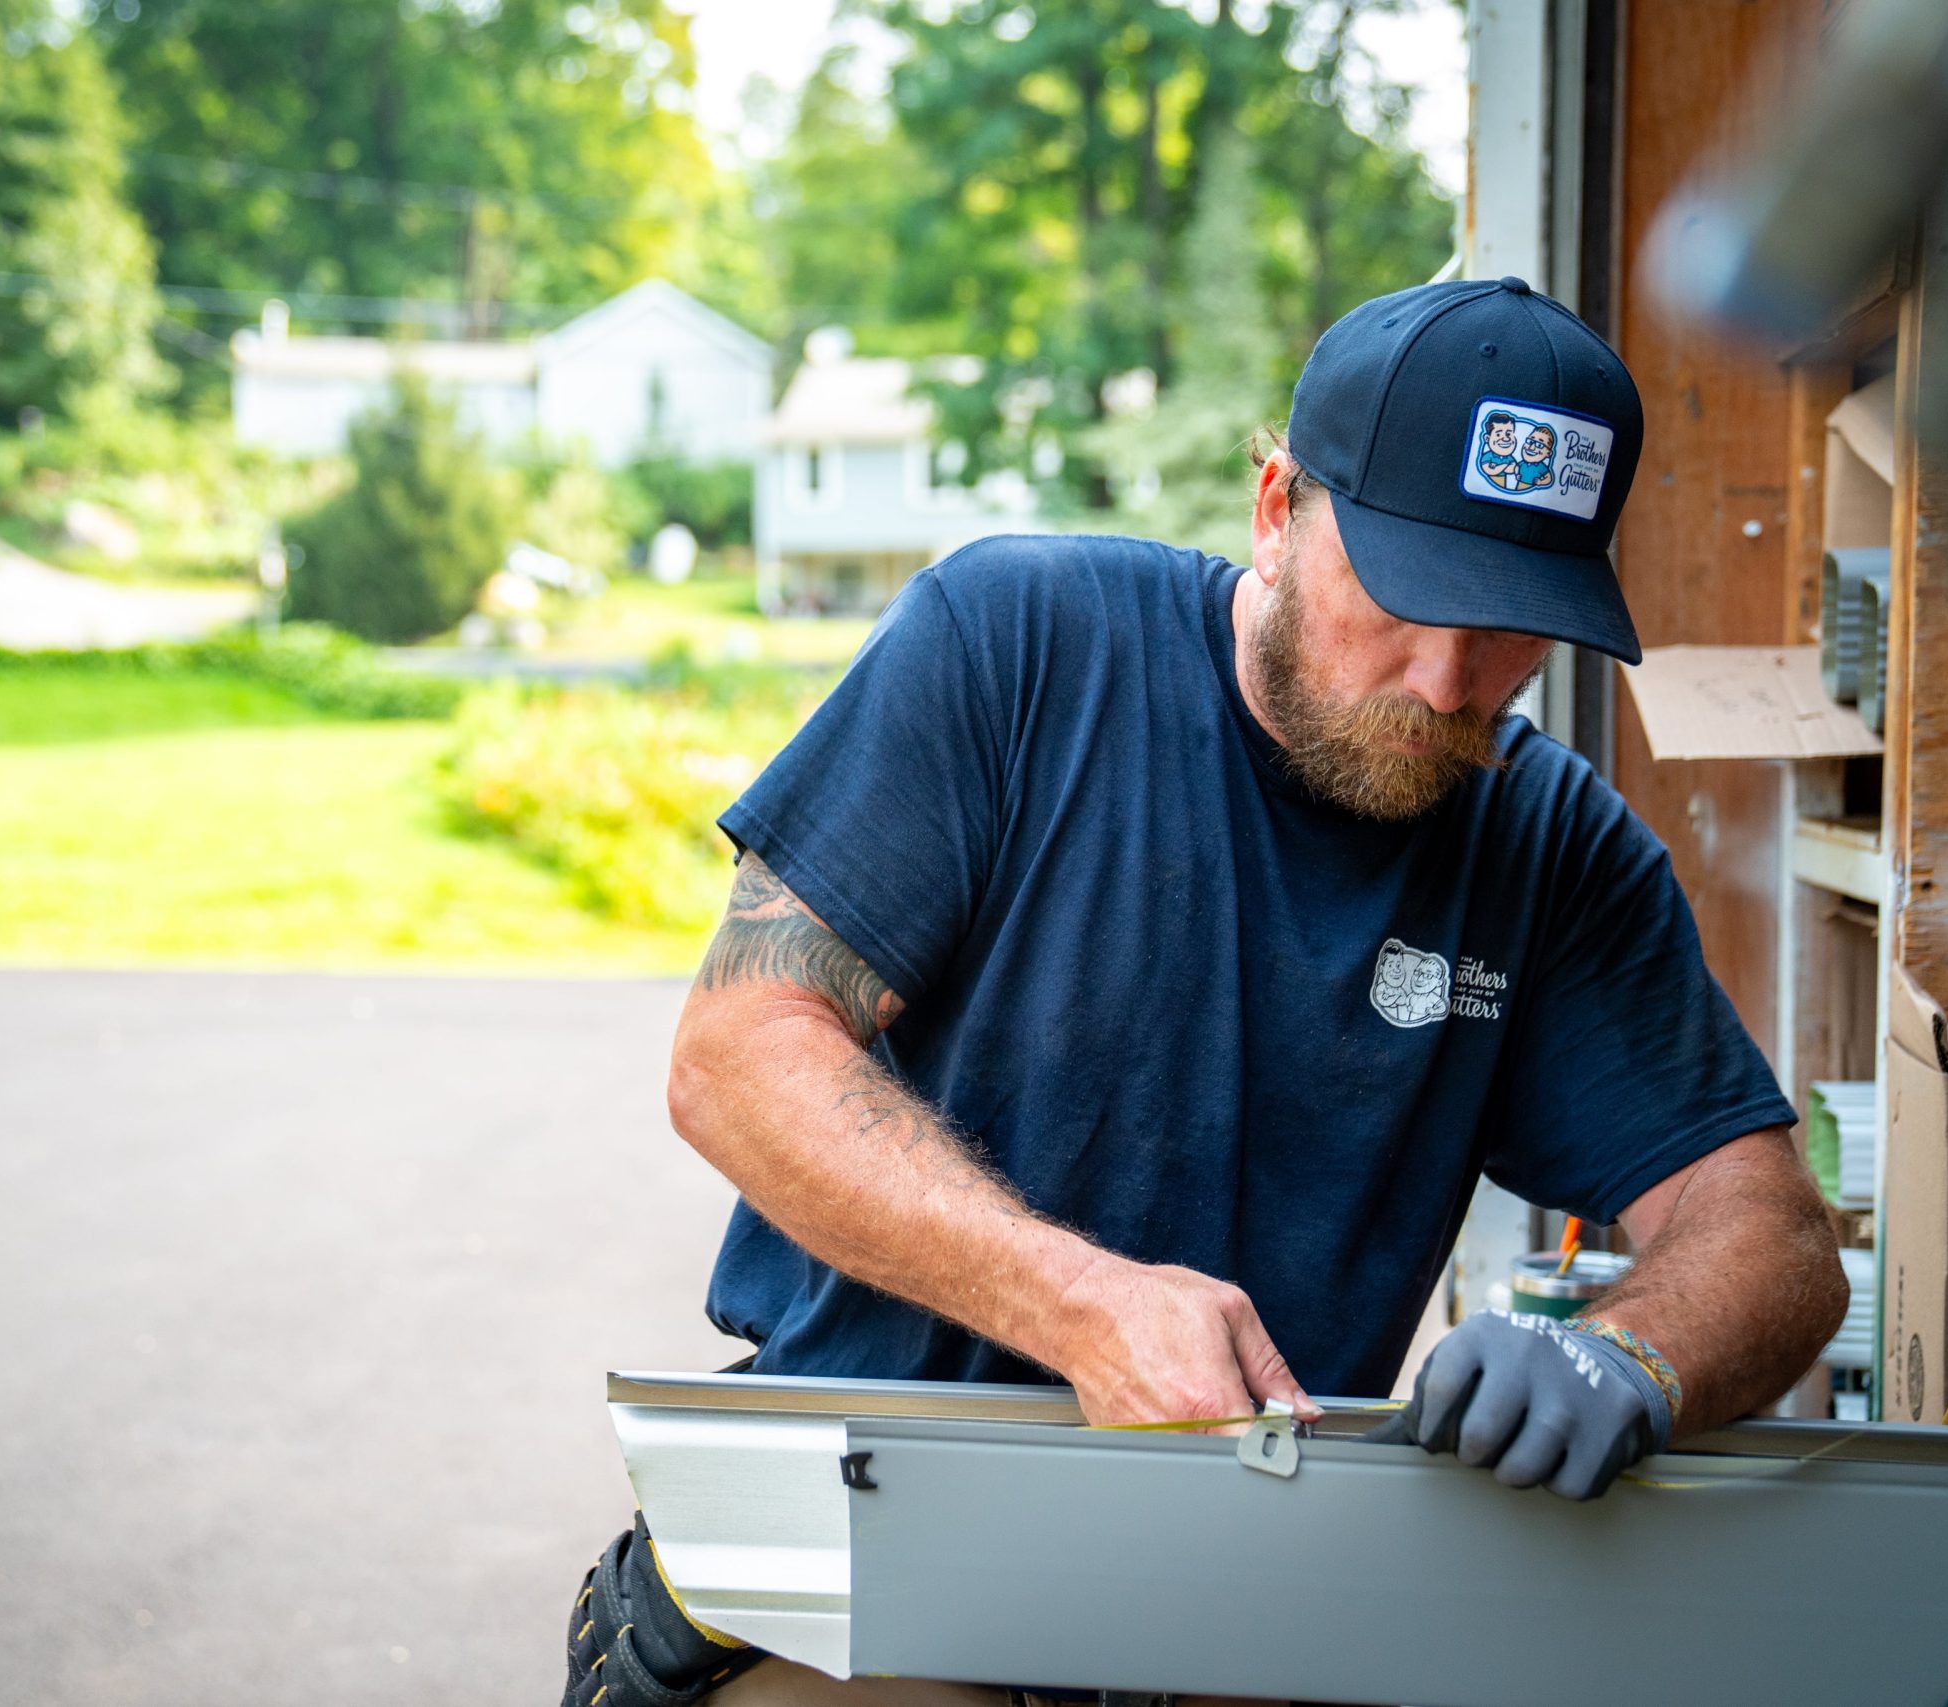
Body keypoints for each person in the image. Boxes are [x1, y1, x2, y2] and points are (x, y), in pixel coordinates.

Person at [563, 276, 1847, 1707]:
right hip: (869, 1551)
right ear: (1277, 505)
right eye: (1410, 595)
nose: (1446, 681)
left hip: (1235, 1588)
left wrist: (1633, 1359)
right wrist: (1078, 1304)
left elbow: (1776, 1238)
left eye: (1510, 625)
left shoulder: (1553, 848)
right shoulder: (1016, 647)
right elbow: (738, 1050)